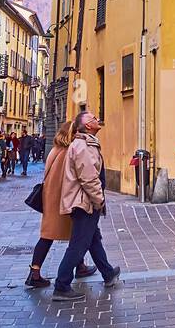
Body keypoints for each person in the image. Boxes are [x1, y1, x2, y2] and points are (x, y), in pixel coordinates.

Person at [52, 111, 122, 301]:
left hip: (83, 201)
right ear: (87, 125)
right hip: (84, 202)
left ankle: (108, 273)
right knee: (79, 244)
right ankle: (62, 284)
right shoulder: (83, 146)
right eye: (93, 118)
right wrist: (99, 200)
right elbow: (89, 178)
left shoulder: (85, 143)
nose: (97, 119)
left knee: (93, 239)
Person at [25, 120, 98, 288]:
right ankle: (76, 268)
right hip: (64, 198)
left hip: (50, 197)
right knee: (77, 234)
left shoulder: (55, 150)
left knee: (49, 235)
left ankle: (35, 272)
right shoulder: (69, 151)